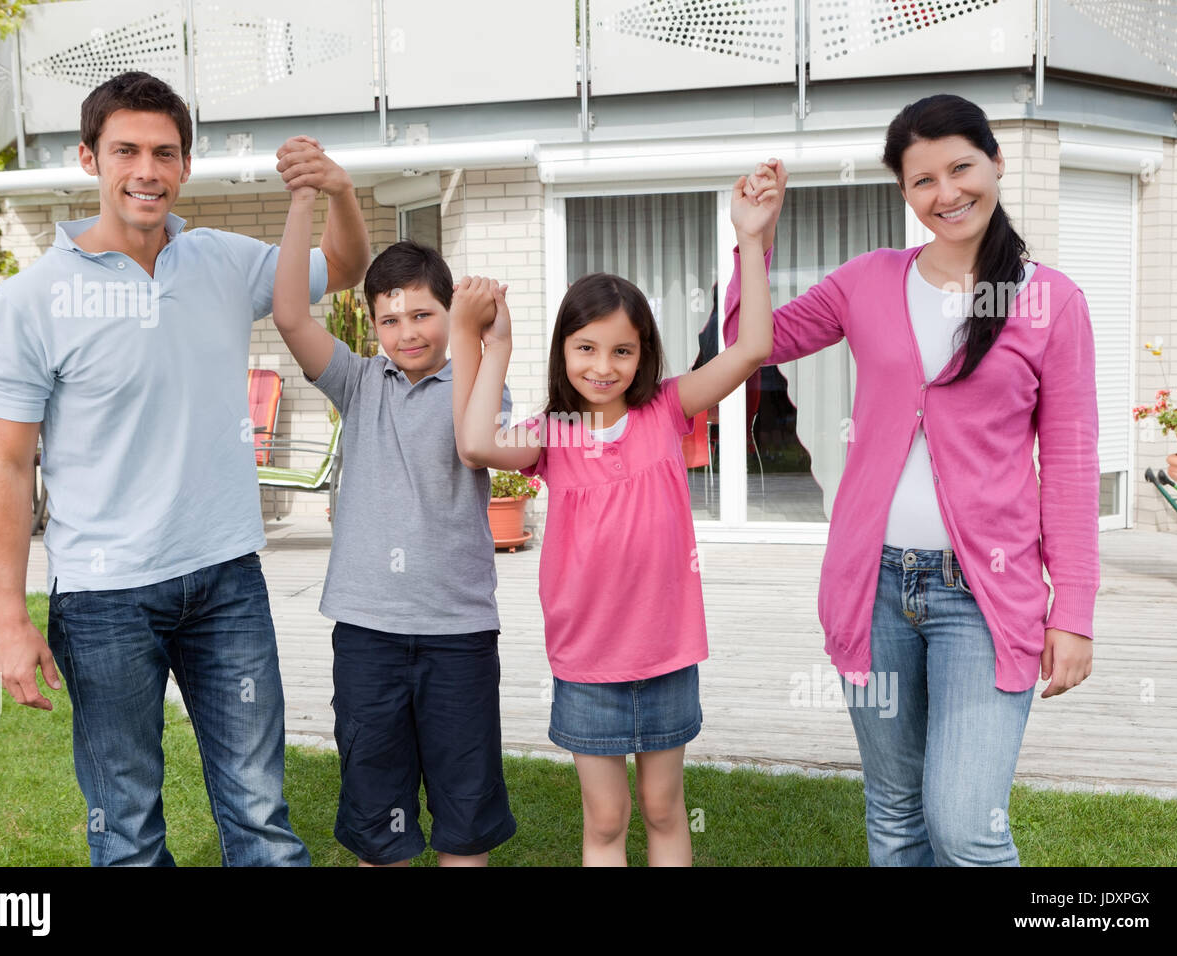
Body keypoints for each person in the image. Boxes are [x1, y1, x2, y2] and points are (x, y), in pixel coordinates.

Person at [0, 72, 371, 866]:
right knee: (126, 828)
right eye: (126, 150)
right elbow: (10, 466)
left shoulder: (226, 262)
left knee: (261, 815)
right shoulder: (32, 300)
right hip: (103, 597)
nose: (146, 170)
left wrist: (338, 189)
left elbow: (346, 263)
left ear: (186, 166)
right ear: (90, 158)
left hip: (227, 580)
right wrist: (8, 619)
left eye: (164, 152)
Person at [725, 94, 1099, 866]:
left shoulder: (1050, 302)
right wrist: (752, 244)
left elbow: (1068, 463)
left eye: (962, 166)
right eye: (922, 179)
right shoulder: (868, 281)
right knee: (896, 817)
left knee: (966, 826)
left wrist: (1077, 611)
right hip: (876, 588)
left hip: (984, 598)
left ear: (996, 162)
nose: (947, 192)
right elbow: (747, 342)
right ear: (905, 193)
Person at [451, 166, 786, 866]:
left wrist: (749, 241)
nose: (603, 366)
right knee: (605, 821)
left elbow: (753, 346)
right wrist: (495, 347)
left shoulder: (666, 409)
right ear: (564, 352)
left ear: (644, 355)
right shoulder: (556, 434)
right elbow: (477, 443)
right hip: (587, 664)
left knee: (665, 809)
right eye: (586, 348)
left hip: (665, 653)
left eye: (622, 351)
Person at [269, 147, 517, 867]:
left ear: (451, 311)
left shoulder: (476, 385)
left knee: (463, 815)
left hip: (457, 633)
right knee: (382, 818)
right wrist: (317, 194)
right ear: (371, 326)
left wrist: (479, 331)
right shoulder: (358, 382)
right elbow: (290, 312)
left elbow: (476, 447)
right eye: (389, 320)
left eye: (424, 314)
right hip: (369, 634)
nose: (407, 332)